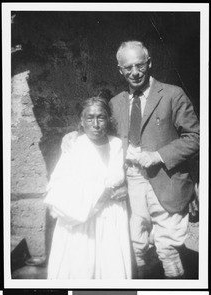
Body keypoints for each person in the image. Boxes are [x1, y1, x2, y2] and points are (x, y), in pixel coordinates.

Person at [62, 41, 199, 280]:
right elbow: (100, 127)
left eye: (140, 65)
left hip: (167, 180)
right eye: (128, 68)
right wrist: (75, 133)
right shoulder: (116, 103)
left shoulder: (172, 94)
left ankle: (177, 291)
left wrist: (158, 155)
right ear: (120, 70)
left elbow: (196, 137)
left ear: (149, 63)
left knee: (168, 249)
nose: (135, 73)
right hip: (132, 183)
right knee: (136, 247)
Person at [44, 96, 132, 279]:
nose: (96, 124)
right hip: (81, 222)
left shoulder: (117, 145)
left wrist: (127, 189)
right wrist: (98, 193)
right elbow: (57, 186)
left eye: (101, 117)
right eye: (90, 118)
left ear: (108, 120)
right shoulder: (74, 145)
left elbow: (130, 175)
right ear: (81, 121)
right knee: (82, 269)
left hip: (112, 219)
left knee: (111, 269)